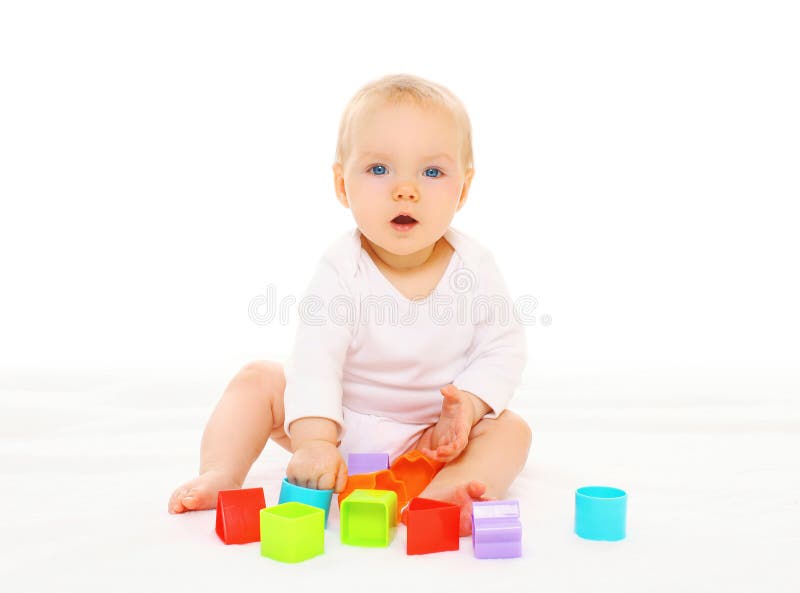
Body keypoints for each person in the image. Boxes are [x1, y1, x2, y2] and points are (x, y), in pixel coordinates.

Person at [168, 73, 532, 536]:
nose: (405, 189)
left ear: (463, 189)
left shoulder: (475, 267)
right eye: (379, 169)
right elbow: (316, 362)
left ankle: (450, 490)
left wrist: (472, 406)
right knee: (257, 380)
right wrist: (316, 441)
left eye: (432, 172)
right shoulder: (341, 268)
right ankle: (221, 472)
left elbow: (504, 349)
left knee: (512, 429)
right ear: (342, 185)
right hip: (339, 423)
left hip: (429, 436)